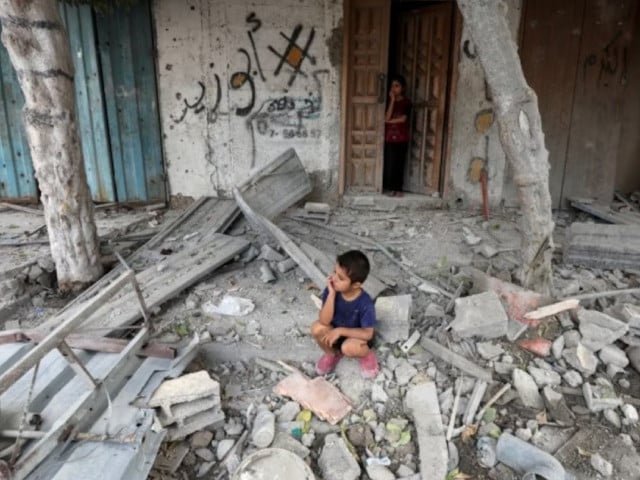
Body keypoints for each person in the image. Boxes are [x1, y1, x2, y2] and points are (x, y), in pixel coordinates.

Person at [310, 250, 379, 378]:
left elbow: (368, 333)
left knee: (348, 347)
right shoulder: (332, 290)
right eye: (335, 272)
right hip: (335, 334)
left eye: (341, 278)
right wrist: (331, 294)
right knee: (317, 327)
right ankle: (332, 354)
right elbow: (324, 321)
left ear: (356, 285)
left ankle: (367, 355)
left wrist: (341, 331)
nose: (334, 278)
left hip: (355, 338)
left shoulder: (365, 302)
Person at [383, 74, 411, 197]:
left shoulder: (407, 102)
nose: (394, 89)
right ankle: (391, 188)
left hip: (402, 137)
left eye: (397, 86)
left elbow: (403, 119)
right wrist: (392, 101)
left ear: (402, 88)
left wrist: (388, 121)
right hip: (390, 137)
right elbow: (387, 116)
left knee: (399, 164)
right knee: (390, 164)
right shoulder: (389, 102)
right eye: (392, 86)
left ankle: (399, 188)